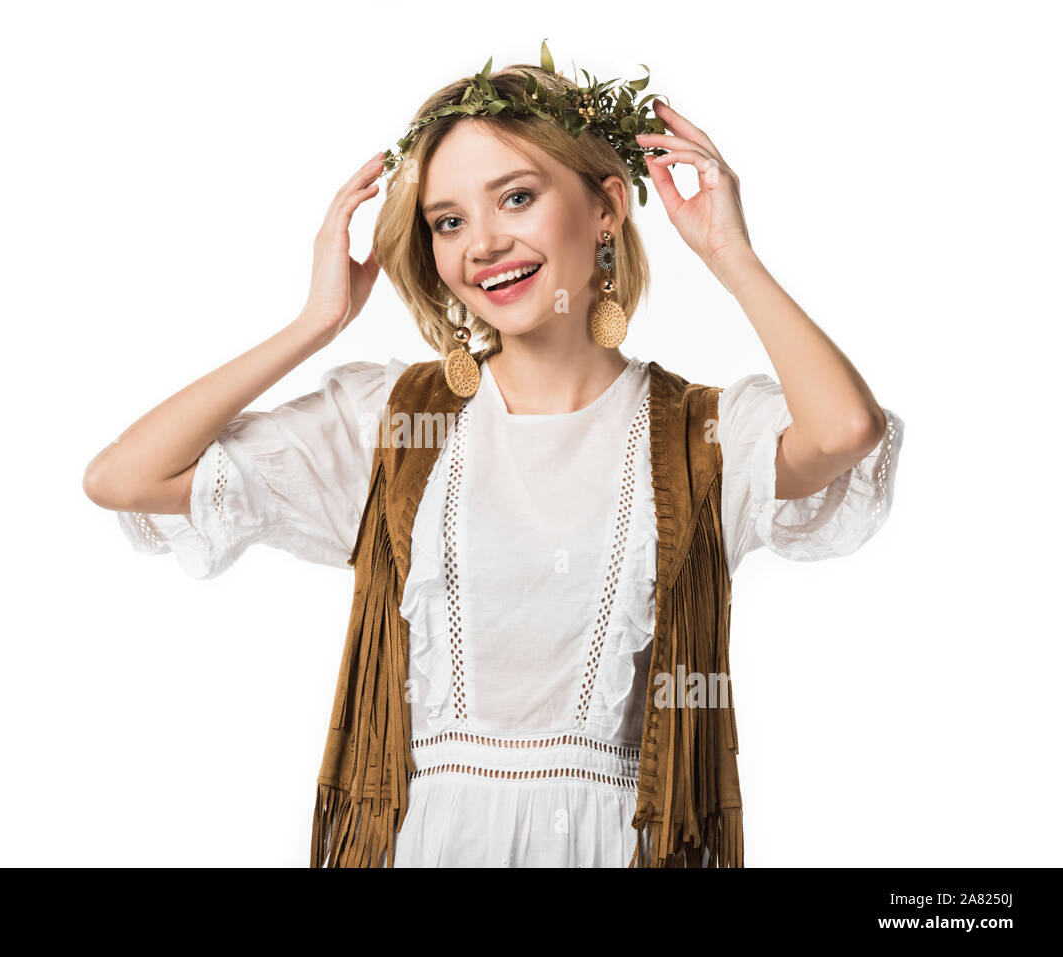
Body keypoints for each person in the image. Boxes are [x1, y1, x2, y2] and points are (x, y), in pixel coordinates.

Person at [83, 49, 904, 867]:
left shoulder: (702, 436)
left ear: (607, 207)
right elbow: (125, 478)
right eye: (448, 221)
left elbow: (845, 430)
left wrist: (731, 255)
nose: (482, 243)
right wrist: (316, 322)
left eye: (516, 196)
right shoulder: (390, 423)